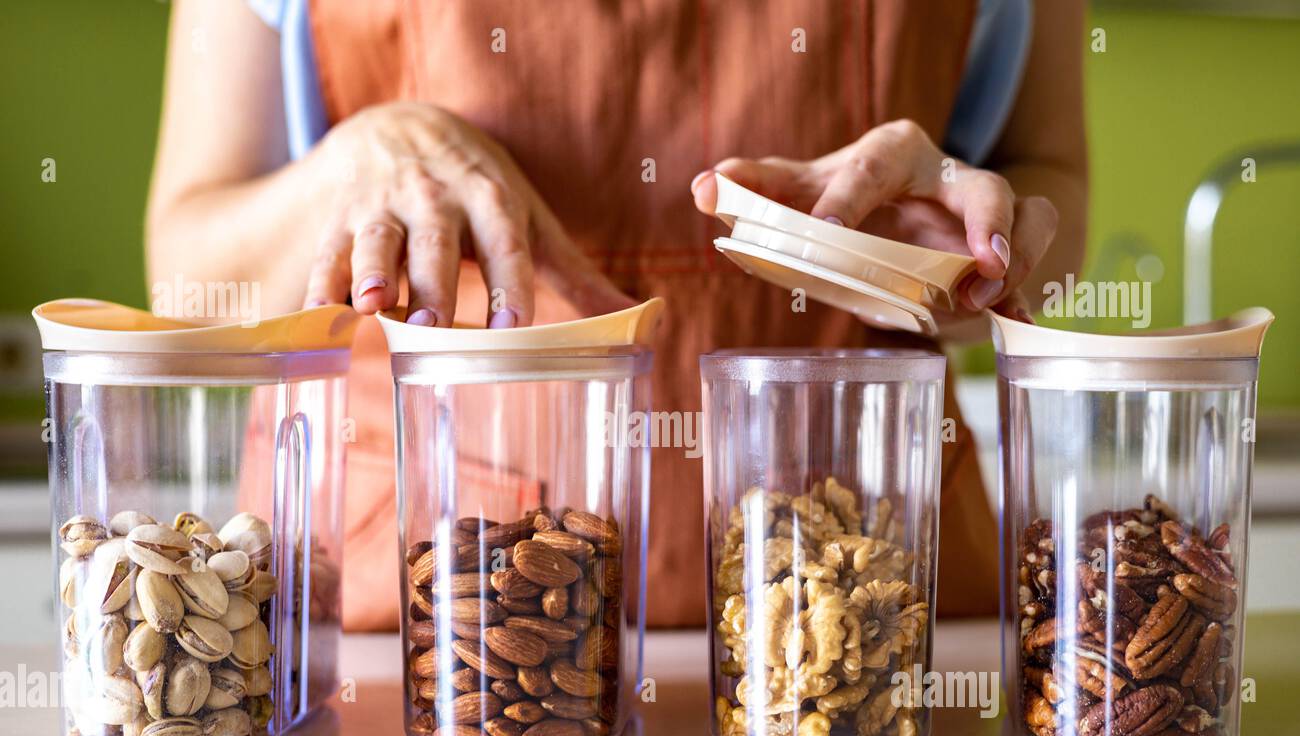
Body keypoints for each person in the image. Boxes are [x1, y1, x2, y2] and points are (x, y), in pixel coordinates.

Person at [147, 0, 1087, 630]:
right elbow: (183, 277)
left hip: (868, 627)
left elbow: (1054, 205)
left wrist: (958, 263)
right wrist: (348, 173)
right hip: (410, 632)